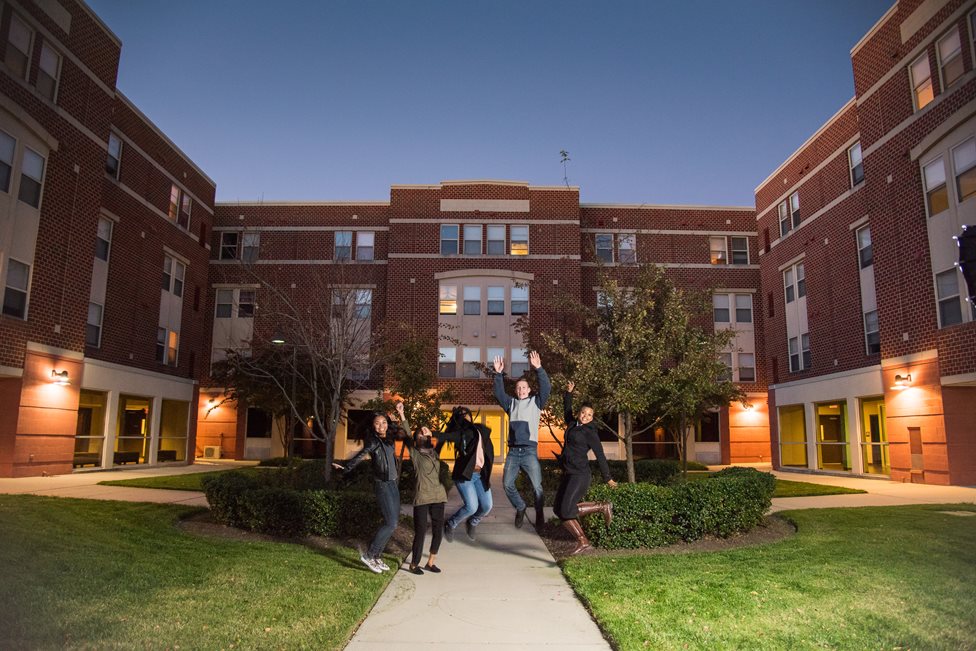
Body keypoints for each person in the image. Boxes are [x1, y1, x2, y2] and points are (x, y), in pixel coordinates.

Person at [333, 409, 404, 574]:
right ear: (372, 426)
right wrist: (345, 467)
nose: (381, 426)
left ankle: (377, 556)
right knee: (391, 523)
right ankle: (369, 555)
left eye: (384, 423)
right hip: (383, 485)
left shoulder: (389, 439)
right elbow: (360, 455)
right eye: (377, 423)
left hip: (393, 484)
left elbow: (400, 431)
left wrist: (396, 417)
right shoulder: (373, 441)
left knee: (393, 524)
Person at [555, 381, 616, 555]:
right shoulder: (573, 424)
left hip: (580, 474)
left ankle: (586, 536)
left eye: (589, 415)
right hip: (569, 473)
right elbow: (567, 411)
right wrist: (568, 394)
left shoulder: (591, 433)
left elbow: (600, 455)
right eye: (583, 413)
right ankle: (599, 513)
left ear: (592, 417)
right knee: (559, 509)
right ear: (579, 413)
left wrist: (608, 477)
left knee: (567, 510)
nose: (585, 416)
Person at [492, 351, 550, 529]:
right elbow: (499, 394)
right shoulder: (511, 404)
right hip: (513, 453)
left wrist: (538, 368)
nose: (521, 390)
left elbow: (546, 387)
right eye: (518, 388)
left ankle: (539, 516)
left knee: (537, 487)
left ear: (529, 390)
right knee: (507, 484)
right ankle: (521, 506)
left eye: (524, 388)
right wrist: (498, 374)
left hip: (529, 451)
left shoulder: (536, 402)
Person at [397, 402, 448, 575]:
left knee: (438, 532)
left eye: (427, 429)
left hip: (438, 496)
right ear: (418, 436)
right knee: (420, 532)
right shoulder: (415, 452)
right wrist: (402, 414)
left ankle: (431, 562)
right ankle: (414, 564)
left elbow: (446, 435)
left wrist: (433, 433)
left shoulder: (434, 452)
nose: (424, 431)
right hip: (422, 497)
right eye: (421, 430)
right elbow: (408, 433)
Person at [438, 406, 494, 543]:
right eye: (461, 414)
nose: (464, 416)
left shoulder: (479, 430)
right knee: (471, 506)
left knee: (487, 506)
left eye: (466, 413)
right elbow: (445, 436)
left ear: (470, 416)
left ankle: (472, 522)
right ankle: (451, 524)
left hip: (480, 475)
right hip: (465, 475)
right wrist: (430, 433)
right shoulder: (460, 434)